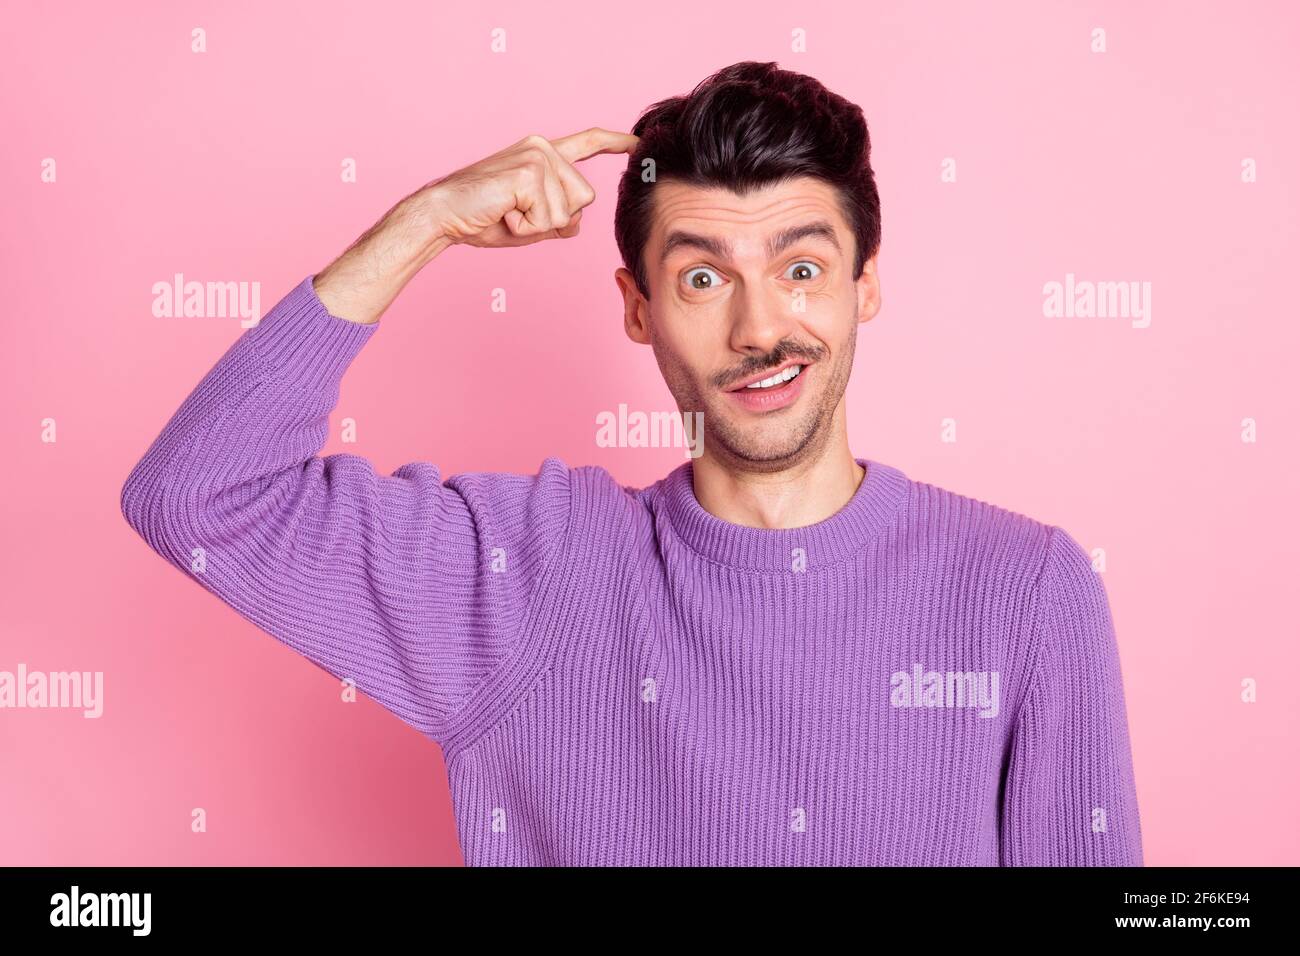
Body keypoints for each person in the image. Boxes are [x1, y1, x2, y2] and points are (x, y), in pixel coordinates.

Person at [121, 60, 1143, 866]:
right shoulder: (525, 576)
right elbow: (197, 496)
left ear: (863, 285)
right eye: (703, 276)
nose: (759, 327)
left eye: (800, 268)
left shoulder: (1024, 588)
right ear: (636, 305)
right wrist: (421, 223)